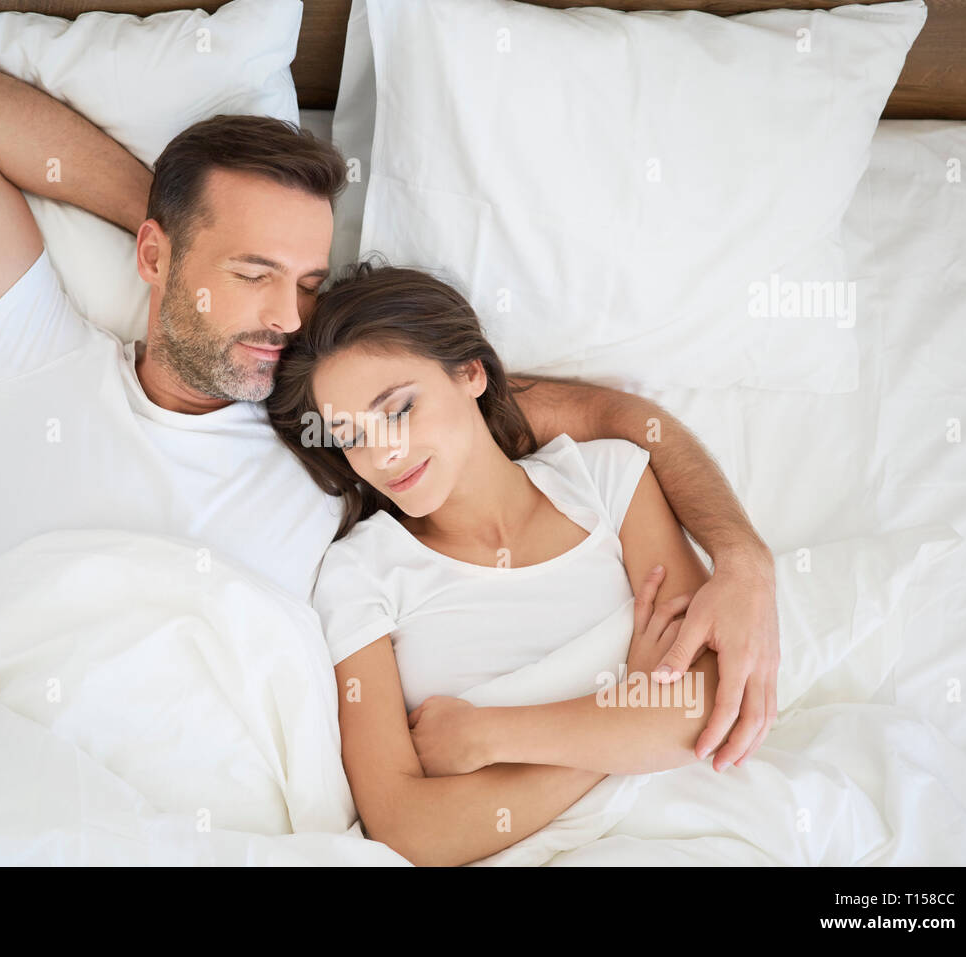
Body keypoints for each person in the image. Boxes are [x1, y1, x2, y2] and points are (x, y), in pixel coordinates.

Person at [0, 50, 779, 783]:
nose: (288, 316)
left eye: (310, 282)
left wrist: (742, 557)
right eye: (253, 273)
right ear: (152, 253)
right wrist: (169, 209)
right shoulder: (36, 361)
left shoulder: (332, 429)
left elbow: (612, 415)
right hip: (0, 757)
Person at [268, 262, 744, 865]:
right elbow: (407, 830)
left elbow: (706, 703)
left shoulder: (608, 480)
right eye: (351, 434)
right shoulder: (359, 574)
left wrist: (487, 736)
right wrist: (629, 710)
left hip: (691, 821)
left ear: (470, 372)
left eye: (398, 409)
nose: (384, 453)